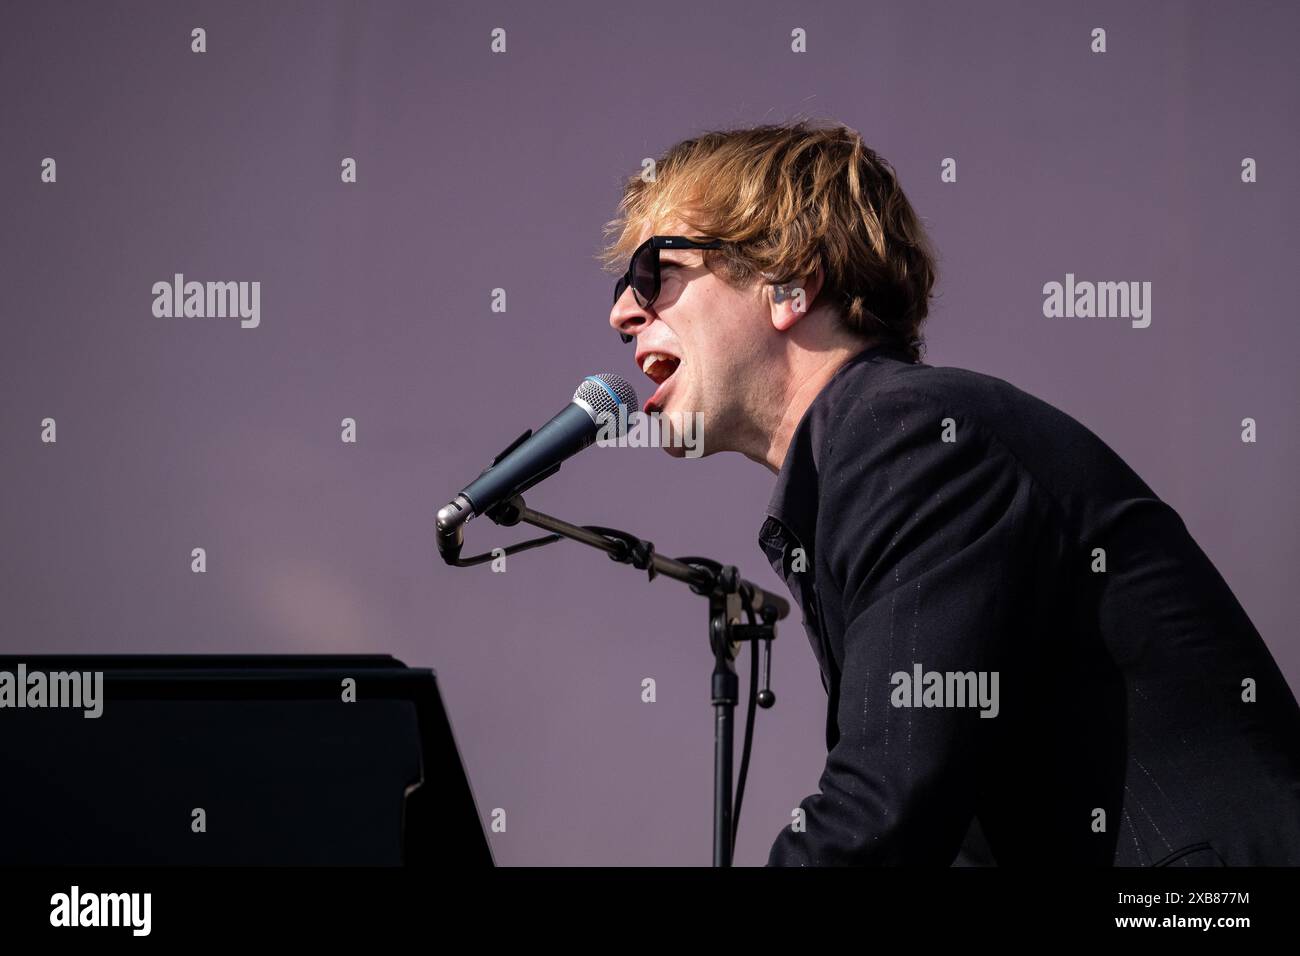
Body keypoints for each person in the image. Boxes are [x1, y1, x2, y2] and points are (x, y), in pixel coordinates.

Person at [603, 120, 1300, 866]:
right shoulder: (870, 458)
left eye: (654, 271)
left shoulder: (905, 438)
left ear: (790, 284)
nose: (622, 313)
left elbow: (884, 808)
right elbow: (945, 822)